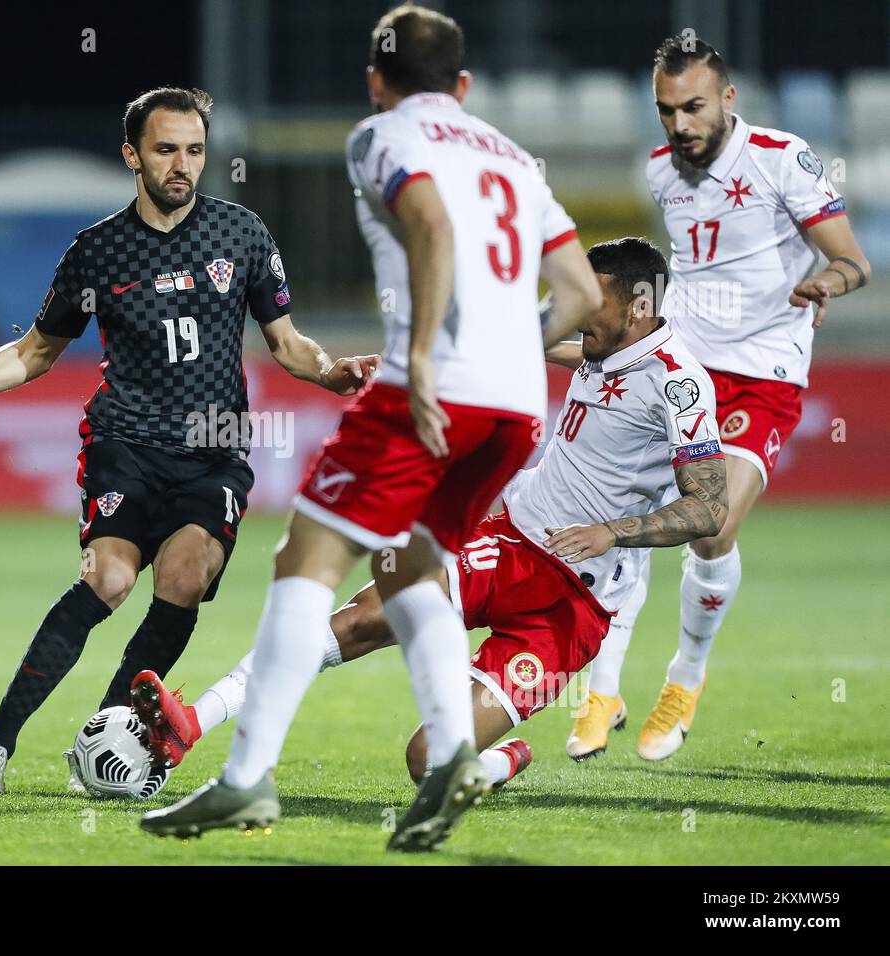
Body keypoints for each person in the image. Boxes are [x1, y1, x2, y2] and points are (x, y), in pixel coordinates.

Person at [140, 4, 602, 852]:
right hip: (511, 407)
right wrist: (509, 351)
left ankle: (244, 781)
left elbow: (426, 222)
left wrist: (422, 356)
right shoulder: (513, 160)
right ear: (463, 85)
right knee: (411, 563)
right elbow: (578, 293)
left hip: (432, 387)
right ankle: (457, 758)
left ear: (375, 80)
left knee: (303, 559)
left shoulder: (379, 135)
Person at [0, 87, 378, 794]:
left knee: (184, 577)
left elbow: (288, 344)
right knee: (108, 579)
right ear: (132, 155)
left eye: (195, 151)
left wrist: (332, 372)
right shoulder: (97, 251)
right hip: (126, 444)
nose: (182, 165)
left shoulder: (241, 236)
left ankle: (104, 737)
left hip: (213, 453)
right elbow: (33, 352)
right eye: (166, 149)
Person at [132, 239, 728, 792]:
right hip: (512, 542)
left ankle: (500, 759)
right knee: (363, 617)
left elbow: (708, 509)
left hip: (576, 604)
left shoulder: (680, 386)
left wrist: (611, 532)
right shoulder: (602, 349)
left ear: (639, 306)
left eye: (592, 300)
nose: (578, 311)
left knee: (428, 762)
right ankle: (194, 722)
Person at [566, 37, 873, 761]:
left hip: (764, 371)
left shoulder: (782, 158)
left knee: (709, 528)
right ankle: (602, 690)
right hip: (685, 360)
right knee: (617, 507)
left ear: (727, 99)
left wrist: (825, 283)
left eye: (694, 107)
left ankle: (686, 675)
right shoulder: (658, 171)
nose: (679, 125)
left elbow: (853, 259)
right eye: (666, 110)